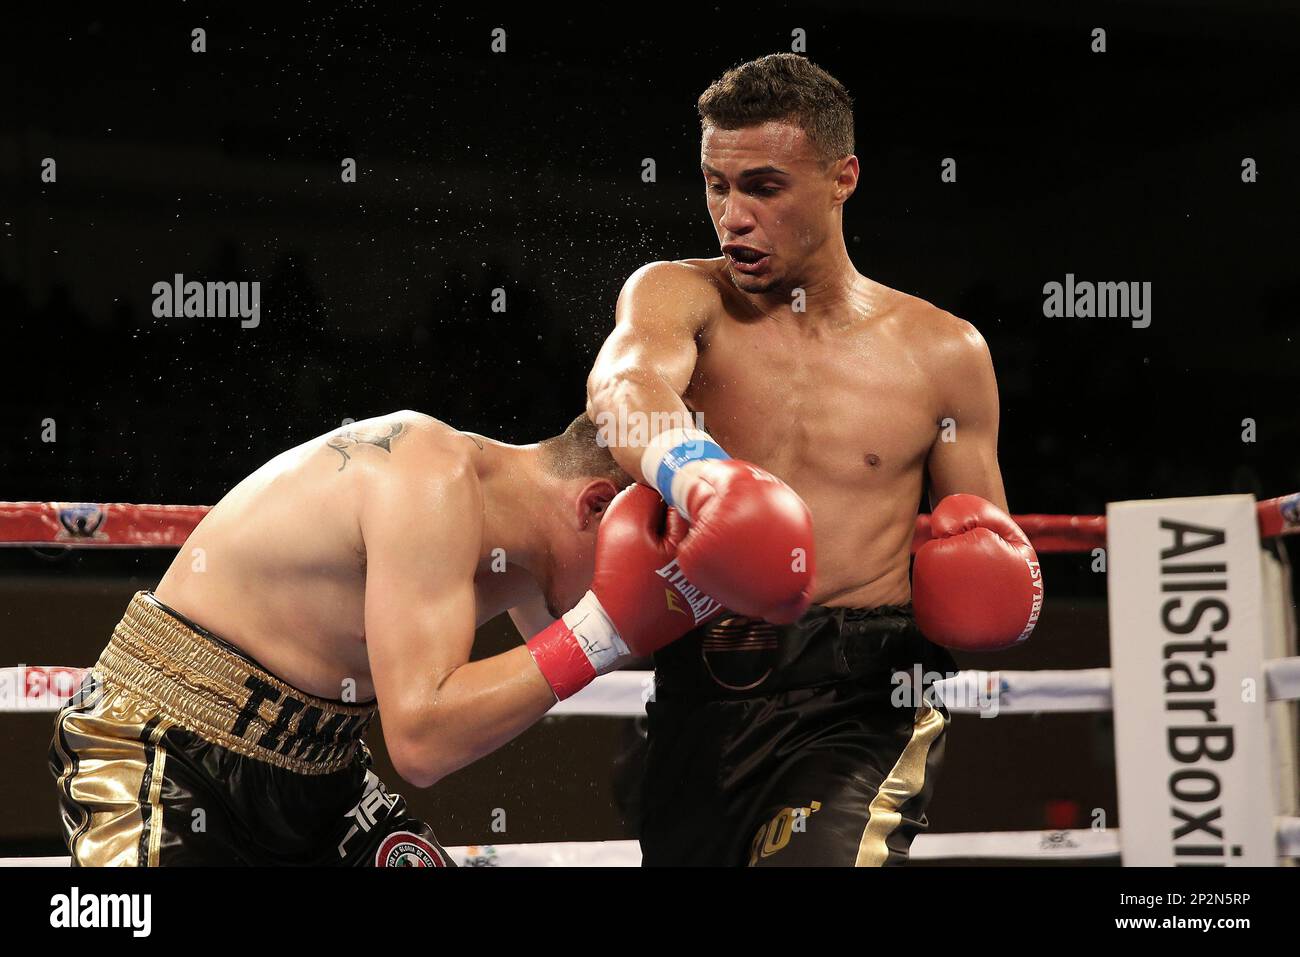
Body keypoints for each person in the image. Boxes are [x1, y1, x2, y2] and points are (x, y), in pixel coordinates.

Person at [586, 54, 1043, 866]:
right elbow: (623, 384)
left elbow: (987, 538)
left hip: (858, 703)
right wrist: (699, 473)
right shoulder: (679, 296)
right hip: (700, 687)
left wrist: (991, 587)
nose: (732, 216)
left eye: (763, 187)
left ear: (843, 178)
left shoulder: (943, 351)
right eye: (716, 185)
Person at [50, 411, 715, 866]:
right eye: (642, 542)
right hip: (169, 745)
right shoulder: (433, 476)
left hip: (320, 773)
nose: (637, 568)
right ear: (596, 503)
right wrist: (607, 624)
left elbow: (594, 647)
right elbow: (423, 741)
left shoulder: (531, 561)